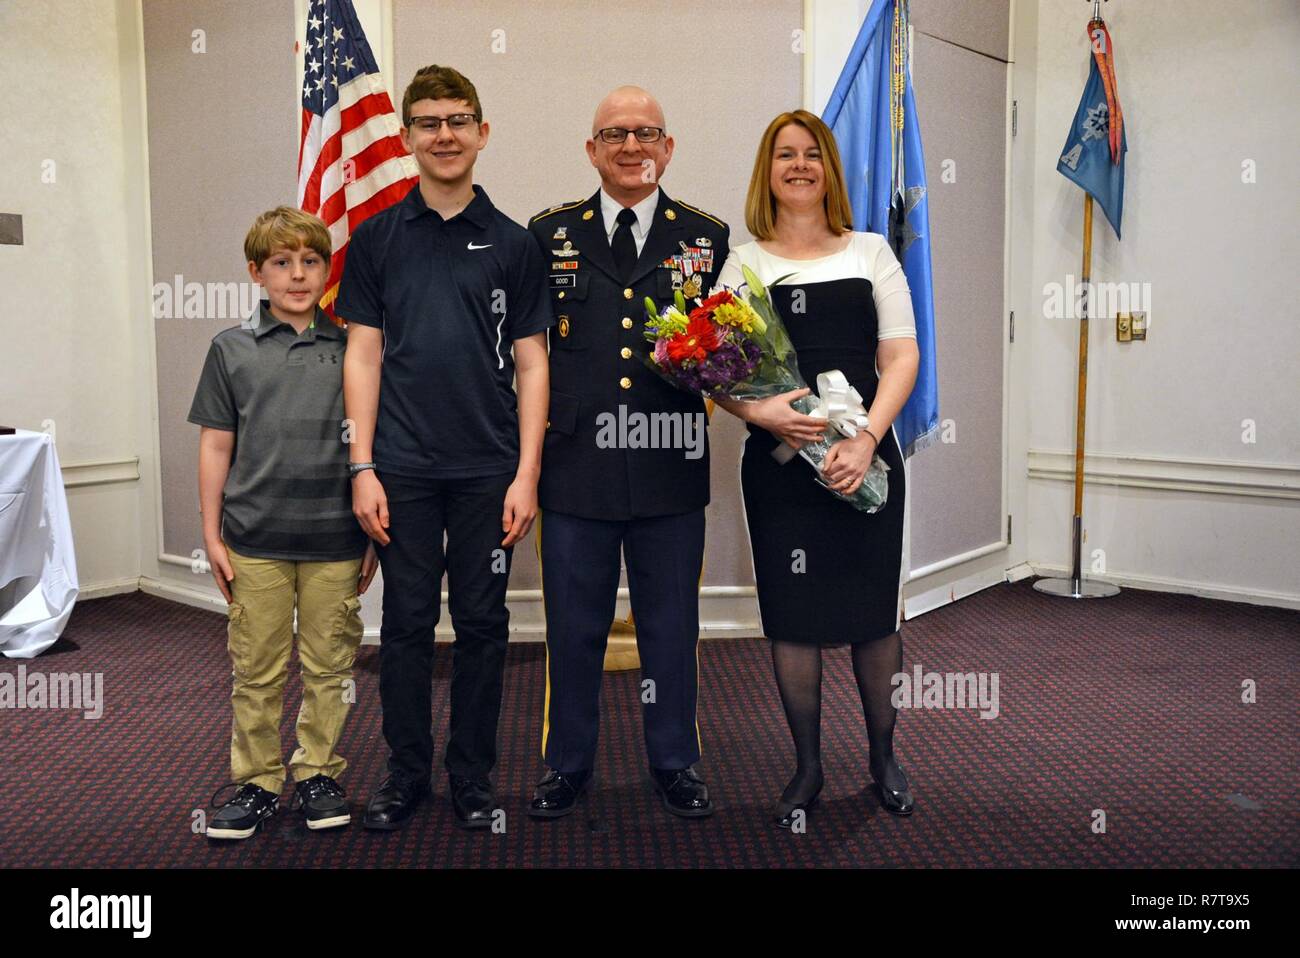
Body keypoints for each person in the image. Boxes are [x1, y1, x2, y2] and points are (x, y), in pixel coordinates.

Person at [337, 65, 553, 831]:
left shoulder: (515, 243)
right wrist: (361, 465)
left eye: (459, 120)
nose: (444, 134)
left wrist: (527, 473)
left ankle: (471, 774)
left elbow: (533, 364)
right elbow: (361, 356)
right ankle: (405, 772)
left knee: (484, 624)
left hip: (490, 469)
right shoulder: (376, 239)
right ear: (407, 138)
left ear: (482, 132)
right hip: (400, 467)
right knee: (403, 626)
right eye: (428, 122)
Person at [525, 86, 729, 819]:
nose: (631, 146)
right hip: (574, 469)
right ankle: (567, 763)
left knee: (671, 628)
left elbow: (729, 356)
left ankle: (676, 760)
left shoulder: (707, 238)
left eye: (646, 133)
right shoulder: (547, 234)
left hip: (669, 468)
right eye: (614, 134)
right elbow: (529, 356)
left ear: (668, 148)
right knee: (571, 628)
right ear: (592, 150)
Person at [714, 110, 920, 827]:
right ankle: (806, 765)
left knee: (872, 617)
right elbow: (720, 373)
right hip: (780, 471)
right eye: (784, 155)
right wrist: (762, 414)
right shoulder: (745, 262)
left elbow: (901, 357)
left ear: (829, 168)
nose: (798, 165)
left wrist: (865, 438)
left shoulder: (870, 251)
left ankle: (883, 757)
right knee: (794, 619)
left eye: (812, 154)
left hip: (866, 460)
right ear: (766, 172)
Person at [189, 206, 378, 839]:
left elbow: (372, 442)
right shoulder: (231, 349)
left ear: (327, 269)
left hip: (334, 537)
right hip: (256, 538)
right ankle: (256, 781)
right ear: (256, 272)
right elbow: (217, 445)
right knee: (258, 668)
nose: (297, 275)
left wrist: (371, 535)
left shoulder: (355, 344)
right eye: (281, 263)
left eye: (310, 261)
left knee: (330, 665)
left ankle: (318, 771)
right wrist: (213, 535)